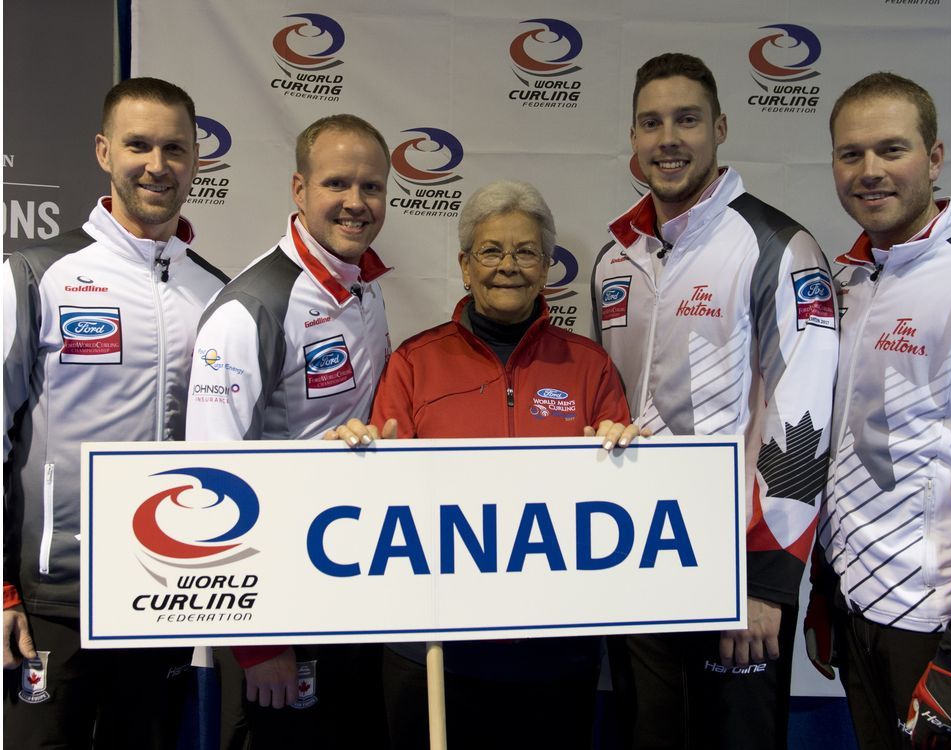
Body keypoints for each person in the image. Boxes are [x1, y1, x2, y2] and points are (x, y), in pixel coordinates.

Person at [328, 179, 640, 749]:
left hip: (555, 655)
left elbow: (624, 500)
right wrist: (362, 458)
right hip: (433, 651)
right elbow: (380, 488)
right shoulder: (414, 363)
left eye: (526, 252)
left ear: (548, 267)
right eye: (491, 251)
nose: (508, 266)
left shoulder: (589, 367)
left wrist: (626, 455)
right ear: (465, 266)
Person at [590, 53, 839, 749]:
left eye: (688, 119)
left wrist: (766, 579)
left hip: (736, 570)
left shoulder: (777, 246)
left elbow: (805, 418)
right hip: (633, 558)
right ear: (635, 140)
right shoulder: (616, 259)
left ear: (721, 128)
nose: (669, 138)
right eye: (652, 122)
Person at [3, 77, 228, 748]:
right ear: (104, 151)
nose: (156, 165)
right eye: (138, 145)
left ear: (196, 161)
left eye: (175, 148)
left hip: (161, 601)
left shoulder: (216, 295)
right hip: (50, 602)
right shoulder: (36, 274)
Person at [184, 113, 393, 748]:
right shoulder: (253, 309)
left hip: (348, 588)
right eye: (337, 184)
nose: (356, 203)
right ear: (299, 190)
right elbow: (209, 483)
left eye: (373, 187)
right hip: (275, 611)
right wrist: (256, 644)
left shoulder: (366, 290)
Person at [805, 71, 951, 750]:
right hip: (859, 608)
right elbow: (847, 447)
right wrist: (827, 586)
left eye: (892, 150)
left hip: (943, 625)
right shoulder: (848, 279)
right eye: (850, 154)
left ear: (936, 157)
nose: (870, 171)